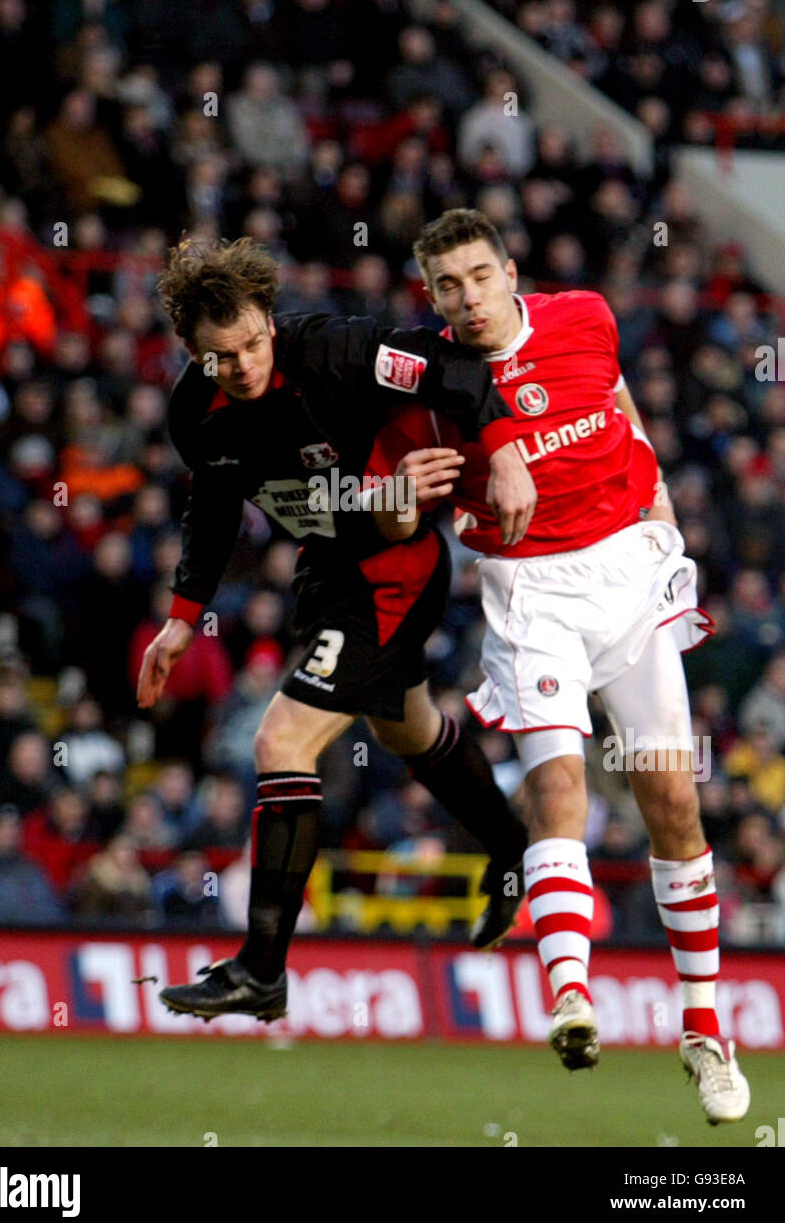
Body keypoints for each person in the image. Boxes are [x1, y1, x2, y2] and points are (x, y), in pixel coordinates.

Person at [367, 208, 749, 1124]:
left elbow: (617, 400)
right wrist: (394, 502)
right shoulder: (420, 388)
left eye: (479, 277)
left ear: (510, 273)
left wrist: (655, 485)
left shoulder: (584, 316)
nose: (467, 300)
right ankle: (571, 993)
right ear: (431, 297)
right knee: (560, 785)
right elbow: (388, 518)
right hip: (529, 593)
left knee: (674, 802)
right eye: (447, 287)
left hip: (626, 569)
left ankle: (703, 1029)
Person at [138, 237, 536, 1024]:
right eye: (223, 356)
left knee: (279, 745)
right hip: (329, 568)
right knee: (408, 730)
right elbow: (215, 507)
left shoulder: (337, 350)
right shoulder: (196, 412)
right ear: (191, 351)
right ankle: (513, 848)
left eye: (254, 343)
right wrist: (183, 618)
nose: (245, 365)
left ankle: (261, 968)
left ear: (268, 323)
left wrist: (508, 452)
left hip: (395, 569)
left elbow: (455, 368)